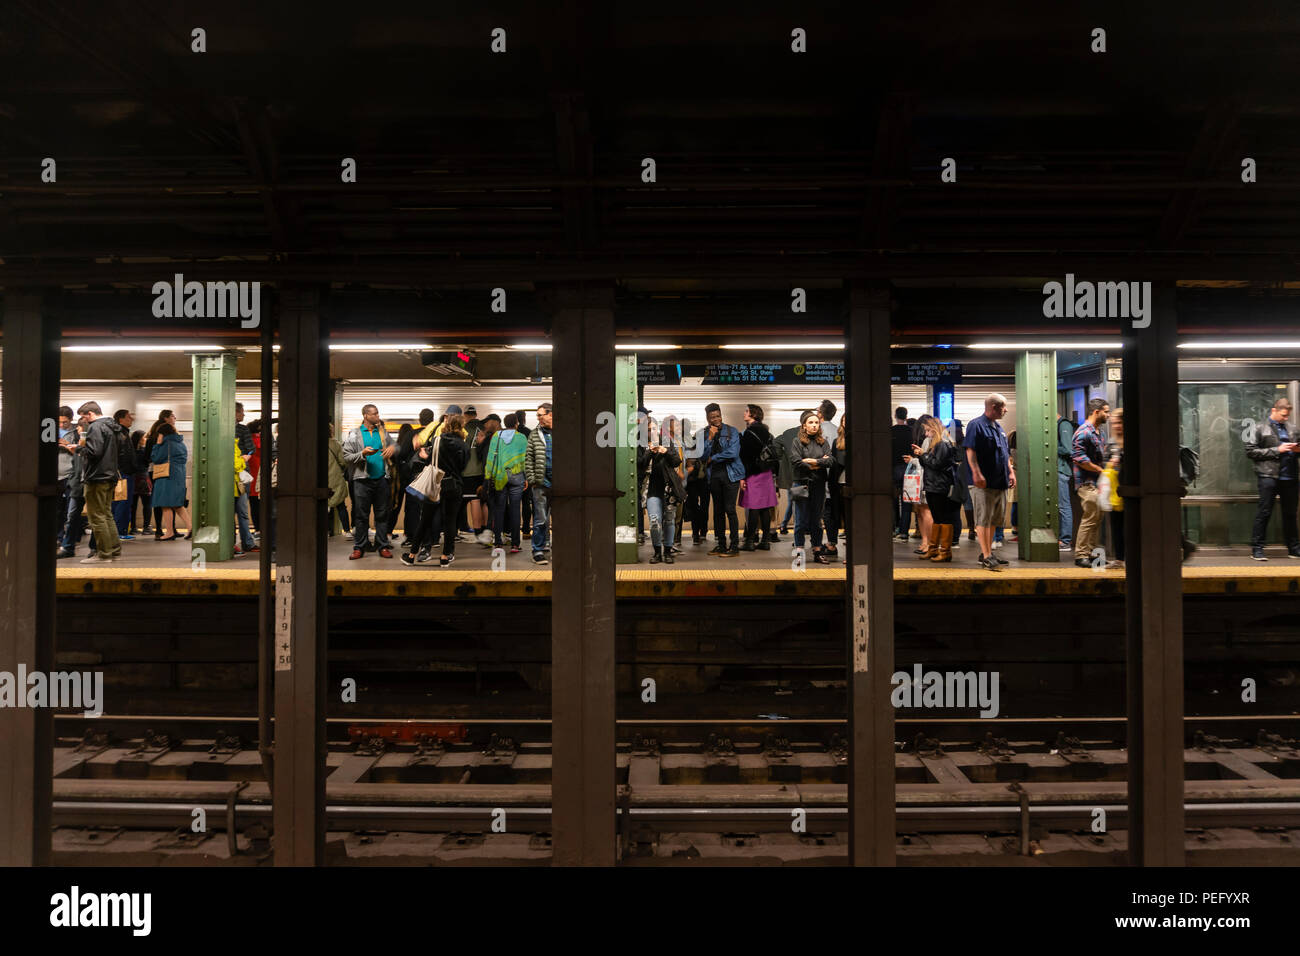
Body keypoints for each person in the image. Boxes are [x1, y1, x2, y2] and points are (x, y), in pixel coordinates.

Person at [403, 413, 470, 567]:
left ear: (446, 424)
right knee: (450, 521)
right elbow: (463, 466)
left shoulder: (437, 440)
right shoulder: (463, 445)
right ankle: (445, 556)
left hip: (436, 483)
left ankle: (412, 555)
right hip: (455, 485)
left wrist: (424, 455)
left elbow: (430, 458)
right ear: (461, 426)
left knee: (425, 519)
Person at [964, 393, 1014, 573]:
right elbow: (971, 451)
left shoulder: (999, 428)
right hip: (982, 483)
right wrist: (976, 473)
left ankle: (987, 552)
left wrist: (1011, 472)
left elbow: (1005, 453)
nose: (1006, 410)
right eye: (1003, 407)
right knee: (983, 518)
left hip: (999, 482)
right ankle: (986, 556)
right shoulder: (976, 425)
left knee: (995, 519)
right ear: (994, 407)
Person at [1245, 396, 1299, 561]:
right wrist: (1277, 450)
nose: (1285, 418)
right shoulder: (1259, 428)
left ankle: (1293, 548)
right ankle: (1257, 548)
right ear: (1273, 410)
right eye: (1283, 415)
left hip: (1289, 476)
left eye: (1287, 416)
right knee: (1265, 512)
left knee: (1290, 514)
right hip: (1268, 475)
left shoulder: (1293, 428)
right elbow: (1250, 451)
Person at [341, 404, 396, 559]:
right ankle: (360, 547)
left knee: (382, 514)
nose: (377, 416)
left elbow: (395, 446)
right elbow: (346, 457)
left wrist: (392, 448)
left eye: (378, 413)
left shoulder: (382, 432)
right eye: (374, 414)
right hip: (362, 481)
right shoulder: (355, 434)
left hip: (381, 480)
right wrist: (362, 454)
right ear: (366, 415)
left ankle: (382, 545)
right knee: (361, 516)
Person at [75, 402, 122, 564]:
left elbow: (94, 452)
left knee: (96, 517)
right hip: (110, 476)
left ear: (90, 414)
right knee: (107, 514)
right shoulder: (113, 427)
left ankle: (103, 554)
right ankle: (114, 550)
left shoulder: (96, 427)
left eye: (83, 417)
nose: (84, 421)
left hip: (96, 477)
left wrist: (78, 449)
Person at [694, 403, 743, 556]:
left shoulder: (732, 431)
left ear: (721, 415)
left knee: (730, 509)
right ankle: (721, 545)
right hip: (713, 477)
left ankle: (734, 546)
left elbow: (733, 453)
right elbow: (701, 456)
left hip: (731, 475)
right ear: (707, 418)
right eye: (712, 417)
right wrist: (710, 438)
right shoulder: (703, 434)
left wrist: (713, 458)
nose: (715, 420)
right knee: (718, 512)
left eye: (717, 416)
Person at [1071, 397, 1111, 568]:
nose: (1108, 415)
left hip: (1096, 483)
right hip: (1086, 483)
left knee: (1096, 517)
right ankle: (1081, 555)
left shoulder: (1098, 432)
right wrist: (1100, 470)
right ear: (1097, 412)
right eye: (1106, 411)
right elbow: (1079, 458)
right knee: (1090, 518)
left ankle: (1093, 554)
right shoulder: (1084, 432)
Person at [789, 410, 833, 563]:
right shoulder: (797, 441)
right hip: (802, 484)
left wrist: (812, 462)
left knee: (816, 520)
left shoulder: (823, 442)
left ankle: (817, 551)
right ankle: (799, 553)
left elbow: (830, 461)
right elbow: (795, 461)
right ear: (804, 426)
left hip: (818, 485)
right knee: (800, 520)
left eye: (816, 422)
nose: (814, 425)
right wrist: (819, 463)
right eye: (811, 423)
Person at [915, 415, 960, 563]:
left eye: (928, 431)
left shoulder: (942, 444)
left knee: (943, 517)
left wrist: (923, 454)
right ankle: (934, 549)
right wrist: (923, 456)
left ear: (935, 429)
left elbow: (936, 464)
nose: (927, 434)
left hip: (940, 486)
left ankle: (945, 551)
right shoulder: (938, 444)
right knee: (937, 517)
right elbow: (930, 464)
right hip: (933, 485)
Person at [641, 416, 685, 564]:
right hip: (652, 490)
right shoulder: (641, 445)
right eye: (648, 430)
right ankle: (657, 552)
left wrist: (665, 451)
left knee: (669, 520)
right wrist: (649, 452)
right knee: (654, 521)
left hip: (668, 488)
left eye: (653, 428)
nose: (651, 432)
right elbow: (639, 465)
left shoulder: (667, 441)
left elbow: (676, 461)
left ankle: (667, 552)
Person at [485, 413, 529, 553]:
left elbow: (490, 458)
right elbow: (525, 459)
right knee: (516, 510)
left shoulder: (496, 437)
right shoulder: (521, 438)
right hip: (517, 476)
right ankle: (515, 544)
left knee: (499, 509)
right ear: (516, 423)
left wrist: (488, 476)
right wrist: (526, 478)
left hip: (500, 476)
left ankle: (498, 542)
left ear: (504, 423)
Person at [738, 404, 778, 551]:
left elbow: (745, 457)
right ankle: (765, 541)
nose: (744, 413)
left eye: (747, 411)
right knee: (765, 508)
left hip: (753, 474)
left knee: (754, 507)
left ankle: (749, 542)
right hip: (766, 473)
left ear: (753, 414)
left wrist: (743, 477)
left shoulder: (749, 433)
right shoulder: (767, 432)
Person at [150, 423, 189, 541]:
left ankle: (170, 532)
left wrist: (157, 444)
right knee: (177, 504)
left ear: (162, 434)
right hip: (179, 475)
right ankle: (191, 527)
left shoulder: (165, 444)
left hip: (166, 476)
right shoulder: (180, 443)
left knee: (165, 504)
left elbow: (155, 458)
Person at [525, 402, 554, 564]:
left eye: (540, 415)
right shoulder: (535, 434)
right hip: (541, 482)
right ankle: (537, 549)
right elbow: (528, 458)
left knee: (563, 518)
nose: (538, 418)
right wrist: (532, 479)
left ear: (551, 414)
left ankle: (554, 546)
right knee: (541, 518)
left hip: (561, 483)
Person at [816, 400, 842, 557]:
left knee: (825, 511)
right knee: (832, 510)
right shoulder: (838, 431)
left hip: (822, 475)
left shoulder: (819, 432)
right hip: (836, 477)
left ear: (820, 414)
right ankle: (832, 541)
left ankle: (826, 544)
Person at [387, 423, 419, 540]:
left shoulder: (397, 447)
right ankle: (408, 533)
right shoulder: (413, 447)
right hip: (411, 479)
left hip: (398, 481)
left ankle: (388, 533)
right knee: (410, 508)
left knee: (395, 506)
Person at [910, 416, 935, 558]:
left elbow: (928, 460)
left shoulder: (931, 441)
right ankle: (926, 542)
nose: (925, 433)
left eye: (926, 430)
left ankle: (928, 543)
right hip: (924, 478)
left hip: (925, 479)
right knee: (922, 510)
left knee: (924, 511)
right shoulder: (930, 440)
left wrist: (920, 455)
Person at [109, 410, 136, 538]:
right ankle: (120, 531)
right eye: (129, 417)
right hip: (123, 473)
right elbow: (123, 454)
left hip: (123, 472)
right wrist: (128, 469)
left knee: (121, 502)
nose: (132, 419)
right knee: (122, 502)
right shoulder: (120, 433)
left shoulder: (121, 432)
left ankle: (120, 530)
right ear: (121, 419)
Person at [1106, 408, 1125, 568]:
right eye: (1114, 423)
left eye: (1119, 422)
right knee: (1117, 525)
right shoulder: (1112, 442)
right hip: (1114, 491)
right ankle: (1119, 559)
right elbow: (1105, 460)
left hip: (1128, 489)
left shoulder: (1133, 441)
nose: (1117, 426)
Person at [232, 438, 258, 555]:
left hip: (238, 485)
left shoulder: (235, 444)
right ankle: (244, 543)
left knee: (239, 515)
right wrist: (244, 459)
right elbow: (236, 465)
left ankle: (244, 543)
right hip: (234, 486)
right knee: (242, 515)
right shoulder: (231, 446)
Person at [891, 406, 913, 542]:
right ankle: (904, 531)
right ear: (906, 416)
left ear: (895, 416)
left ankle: (895, 527)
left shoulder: (890, 431)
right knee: (906, 500)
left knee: (893, 499)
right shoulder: (911, 431)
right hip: (908, 467)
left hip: (892, 468)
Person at [55, 406, 76, 543]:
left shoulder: (77, 433)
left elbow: (81, 452)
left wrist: (67, 445)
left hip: (70, 475)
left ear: (71, 420)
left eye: (65, 422)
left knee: (70, 511)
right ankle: (58, 537)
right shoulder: (49, 431)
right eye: (59, 422)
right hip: (54, 476)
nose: (62, 425)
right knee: (56, 510)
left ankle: (70, 540)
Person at [1056, 412, 1076, 552]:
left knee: (1064, 506)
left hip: (1062, 471)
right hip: (1058, 470)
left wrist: (1052, 447)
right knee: (1061, 506)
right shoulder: (1059, 425)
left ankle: (1066, 541)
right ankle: (1062, 538)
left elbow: (1068, 449)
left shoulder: (1064, 424)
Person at [327, 423, 350, 536]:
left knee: (324, 506)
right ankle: (346, 530)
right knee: (341, 506)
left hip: (321, 479)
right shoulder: (335, 444)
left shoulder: (313, 443)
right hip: (335, 477)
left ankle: (327, 530)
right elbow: (343, 461)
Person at [516, 409, 533, 537]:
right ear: (524, 418)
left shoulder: (510, 434)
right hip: (526, 470)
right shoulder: (529, 432)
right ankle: (526, 530)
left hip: (512, 471)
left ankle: (513, 530)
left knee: (513, 503)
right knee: (526, 502)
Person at [247, 419, 263, 533]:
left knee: (254, 506)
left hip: (250, 480)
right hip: (262, 479)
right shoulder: (263, 442)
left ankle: (258, 529)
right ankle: (264, 528)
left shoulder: (247, 443)